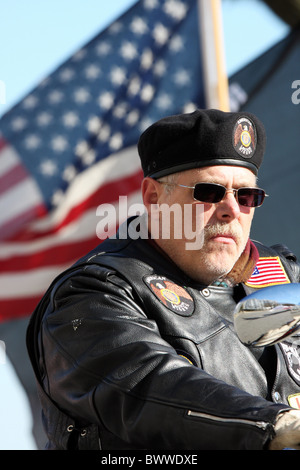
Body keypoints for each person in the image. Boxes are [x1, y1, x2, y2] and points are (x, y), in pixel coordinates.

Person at [27, 109, 300, 450]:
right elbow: (151, 385)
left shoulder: (281, 275)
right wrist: (277, 427)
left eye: (247, 196)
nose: (232, 209)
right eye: (210, 192)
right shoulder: (95, 293)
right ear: (154, 197)